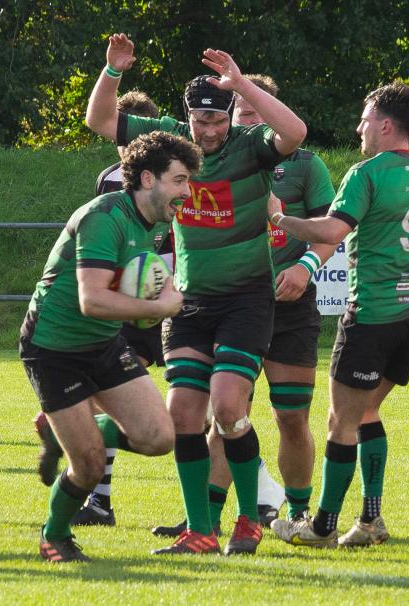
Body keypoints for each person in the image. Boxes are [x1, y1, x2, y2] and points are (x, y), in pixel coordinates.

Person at [85, 33, 307, 556]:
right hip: (190, 301)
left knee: (229, 409)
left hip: (248, 298)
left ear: (231, 116)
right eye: (199, 120)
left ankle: (249, 520)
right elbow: (100, 120)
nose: (207, 131)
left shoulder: (251, 148)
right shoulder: (168, 141)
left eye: (217, 120)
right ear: (186, 115)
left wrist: (243, 84)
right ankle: (201, 530)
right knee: (183, 415)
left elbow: (295, 131)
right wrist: (113, 70)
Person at [152, 74, 337, 538]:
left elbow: (333, 228)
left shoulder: (305, 167)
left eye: (259, 114)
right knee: (222, 412)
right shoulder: (214, 155)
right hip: (228, 301)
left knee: (291, 416)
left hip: (289, 301)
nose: (252, 124)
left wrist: (306, 268)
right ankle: (208, 518)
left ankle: (296, 511)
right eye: (245, 115)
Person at [269, 81, 409, 548]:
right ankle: (370, 521)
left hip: (373, 313)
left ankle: (321, 526)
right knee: (367, 411)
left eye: (365, 120)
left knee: (339, 421)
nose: (358, 128)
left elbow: (330, 228)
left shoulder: (366, 173)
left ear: (386, 125)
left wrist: (280, 219)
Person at [22, 131, 201, 562]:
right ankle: (54, 535)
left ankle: (57, 429)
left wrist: (152, 307)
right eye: (178, 181)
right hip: (54, 348)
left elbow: (124, 299)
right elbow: (93, 299)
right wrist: (162, 305)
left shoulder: (150, 226)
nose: (186, 192)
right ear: (146, 179)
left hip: (101, 344)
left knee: (159, 437)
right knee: (87, 464)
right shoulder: (105, 217)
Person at [67, 90, 164, 527]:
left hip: (169, 295)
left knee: (197, 413)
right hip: (130, 304)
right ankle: (100, 500)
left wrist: (163, 277)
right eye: (121, 134)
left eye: (134, 133)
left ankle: (254, 498)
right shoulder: (109, 179)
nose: (125, 144)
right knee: (111, 394)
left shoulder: (170, 178)